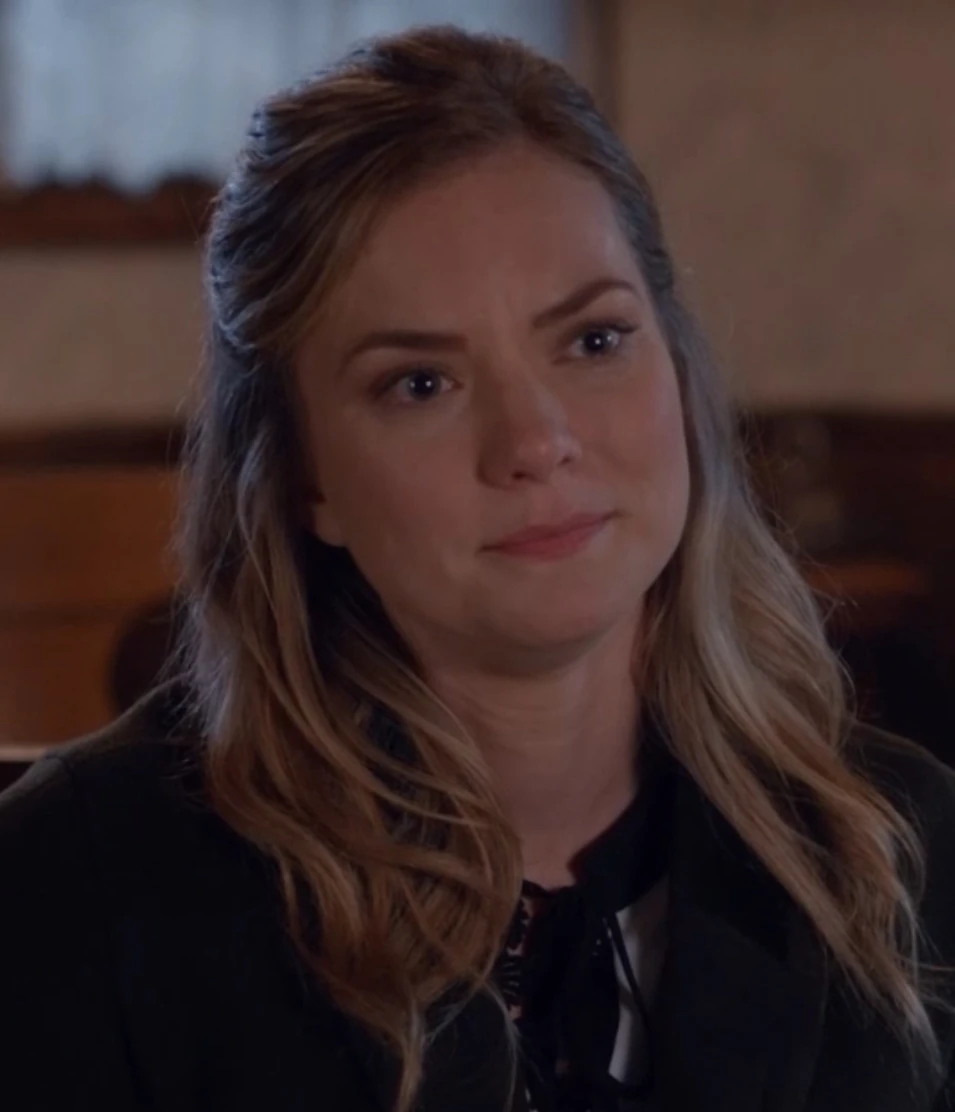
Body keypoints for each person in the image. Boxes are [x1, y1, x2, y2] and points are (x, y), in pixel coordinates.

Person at [1, 24, 954, 1112]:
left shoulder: (907, 852)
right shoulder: (77, 888)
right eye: (420, 383)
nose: (535, 441)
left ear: (676, 370)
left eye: (593, 341)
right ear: (305, 477)